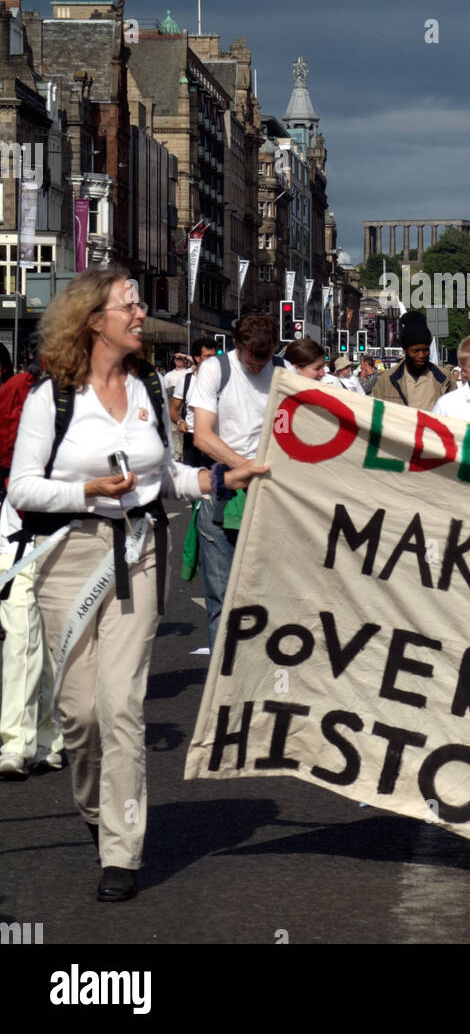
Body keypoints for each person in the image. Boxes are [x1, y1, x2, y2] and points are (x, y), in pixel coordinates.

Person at [6, 267, 266, 900]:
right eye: (130, 304)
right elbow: (21, 488)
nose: (141, 313)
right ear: (94, 320)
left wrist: (218, 480)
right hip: (68, 555)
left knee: (122, 704)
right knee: (79, 713)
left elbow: (167, 475)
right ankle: (97, 809)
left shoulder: (149, 385)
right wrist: (86, 490)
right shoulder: (53, 398)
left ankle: (121, 849)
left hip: (139, 552)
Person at [192, 312, 283, 652]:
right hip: (223, 491)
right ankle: (223, 689)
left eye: (264, 359)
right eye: (251, 360)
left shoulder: (281, 371)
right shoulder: (216, 369)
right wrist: (244, 468)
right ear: (236, 346)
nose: (258, 367)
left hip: (266, 494)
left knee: (268, 593)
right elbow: (202, 436)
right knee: (221, 594)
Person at [0, 334, 65, 779]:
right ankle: (14, 742)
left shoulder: (91, 398)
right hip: (18, 528)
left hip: (65, 530)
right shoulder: (13, 392)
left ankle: (49, 737)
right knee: (21, 637)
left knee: (57, 643)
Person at [370, 312, 454, 411]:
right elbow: (373, 413)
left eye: (425, 350)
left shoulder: (444, 378)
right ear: (405, 350)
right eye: (416, 351)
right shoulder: (387, 380)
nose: (421, 355)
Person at [169, 336, 217, 466]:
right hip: (192, 438)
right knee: (193, 481)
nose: (213, 361)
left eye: (215, 356)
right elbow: (173, 409)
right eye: (208, 356)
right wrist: (180, 421)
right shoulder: (185, 381)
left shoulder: (223, 381)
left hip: (216, 440)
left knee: (214, 482)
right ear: (197, 358)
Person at [163, 352, 192, 459]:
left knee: (185, 431)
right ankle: (176, 454)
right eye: (176, 358)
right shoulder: (168, 376)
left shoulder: (189, 372)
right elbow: (165, 394)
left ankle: (183, 453)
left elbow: (197, 364)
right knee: (174, 431)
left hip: (185, 405)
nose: (179, 360)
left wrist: (184, 356)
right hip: (173, 405)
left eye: (181, 359)